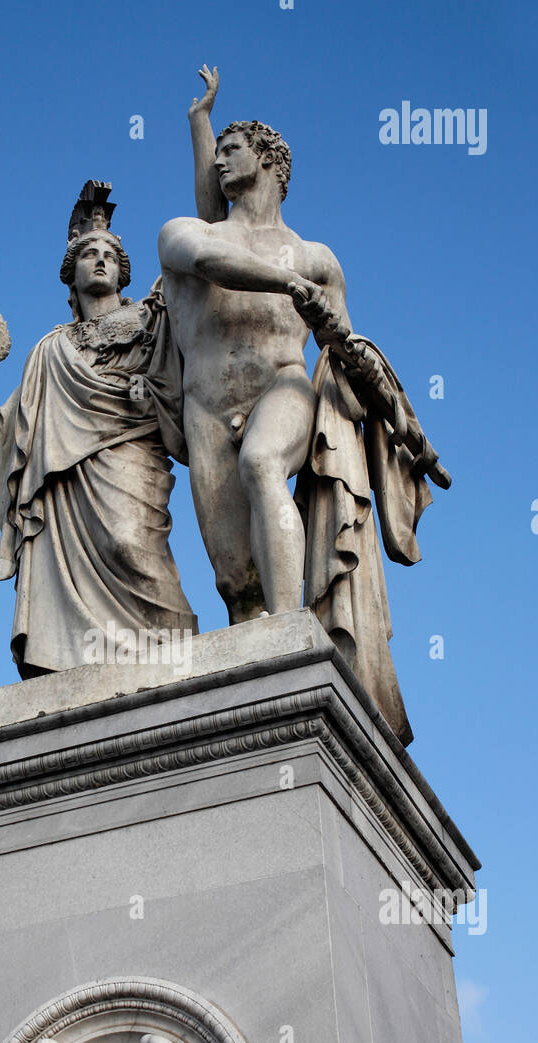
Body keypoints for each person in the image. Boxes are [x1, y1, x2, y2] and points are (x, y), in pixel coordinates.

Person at [159, 68, 444, 744]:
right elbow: (210, 264)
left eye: (234, 146)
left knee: (264, 464)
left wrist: (402, 422)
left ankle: (291, 641)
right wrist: (291, 286)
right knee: (236, 582)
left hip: (283, 388)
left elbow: (345, 350)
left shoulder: (317, 256)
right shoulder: (181, 234)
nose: (222, 157)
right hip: (203, 408)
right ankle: (259, 688)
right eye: (216, 149)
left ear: (269, 161)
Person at [0, 182, 196, 678]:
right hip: (65, 491)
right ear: (70, 276)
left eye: (108, 254)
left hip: (132, 453)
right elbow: (6, 434)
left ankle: (174, 656)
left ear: (122, 270)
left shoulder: (152, 320)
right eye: (88, 253)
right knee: (87, 553)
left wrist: (153, 394)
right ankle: (68, 661)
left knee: (133, 546)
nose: (99, 260)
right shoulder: (51, 351)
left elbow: (186, 382)